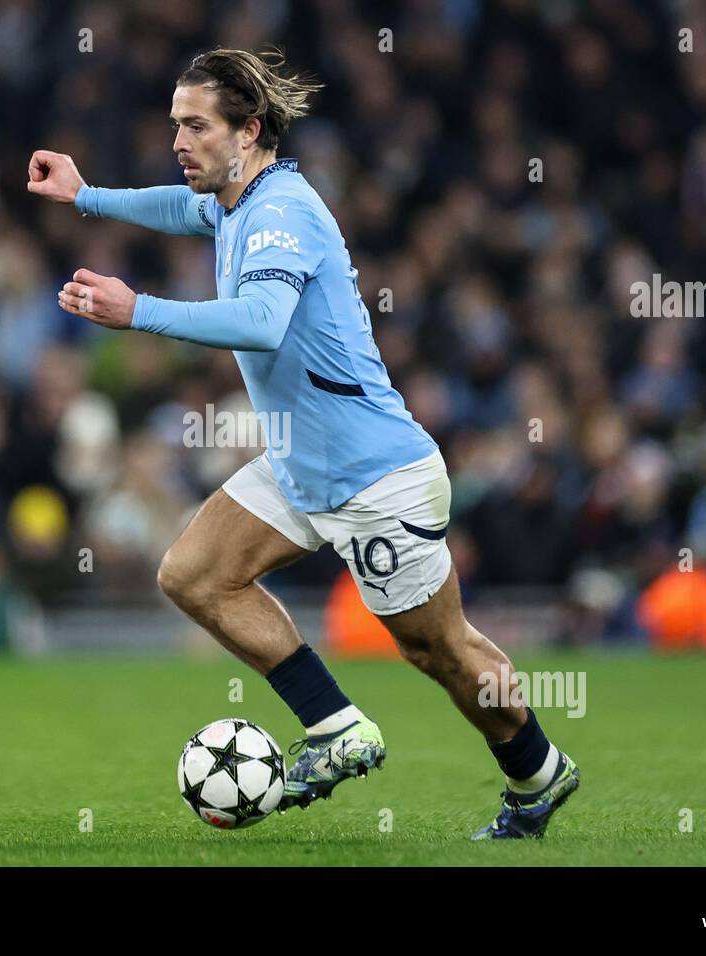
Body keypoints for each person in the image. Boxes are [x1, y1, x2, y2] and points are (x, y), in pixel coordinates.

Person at [28, 48, 579, 838]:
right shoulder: (227, 200)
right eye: (174, 124)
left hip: (376, 474)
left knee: (440, 653)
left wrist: (138, 308)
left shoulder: (280, 212)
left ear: (249, 130)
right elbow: (176, 209)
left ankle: (537, 770)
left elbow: (260, 322)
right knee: (194, 575)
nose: (178, 141)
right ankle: (336, 728)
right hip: (300, 461)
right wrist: (86, 195)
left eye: (196, 126)